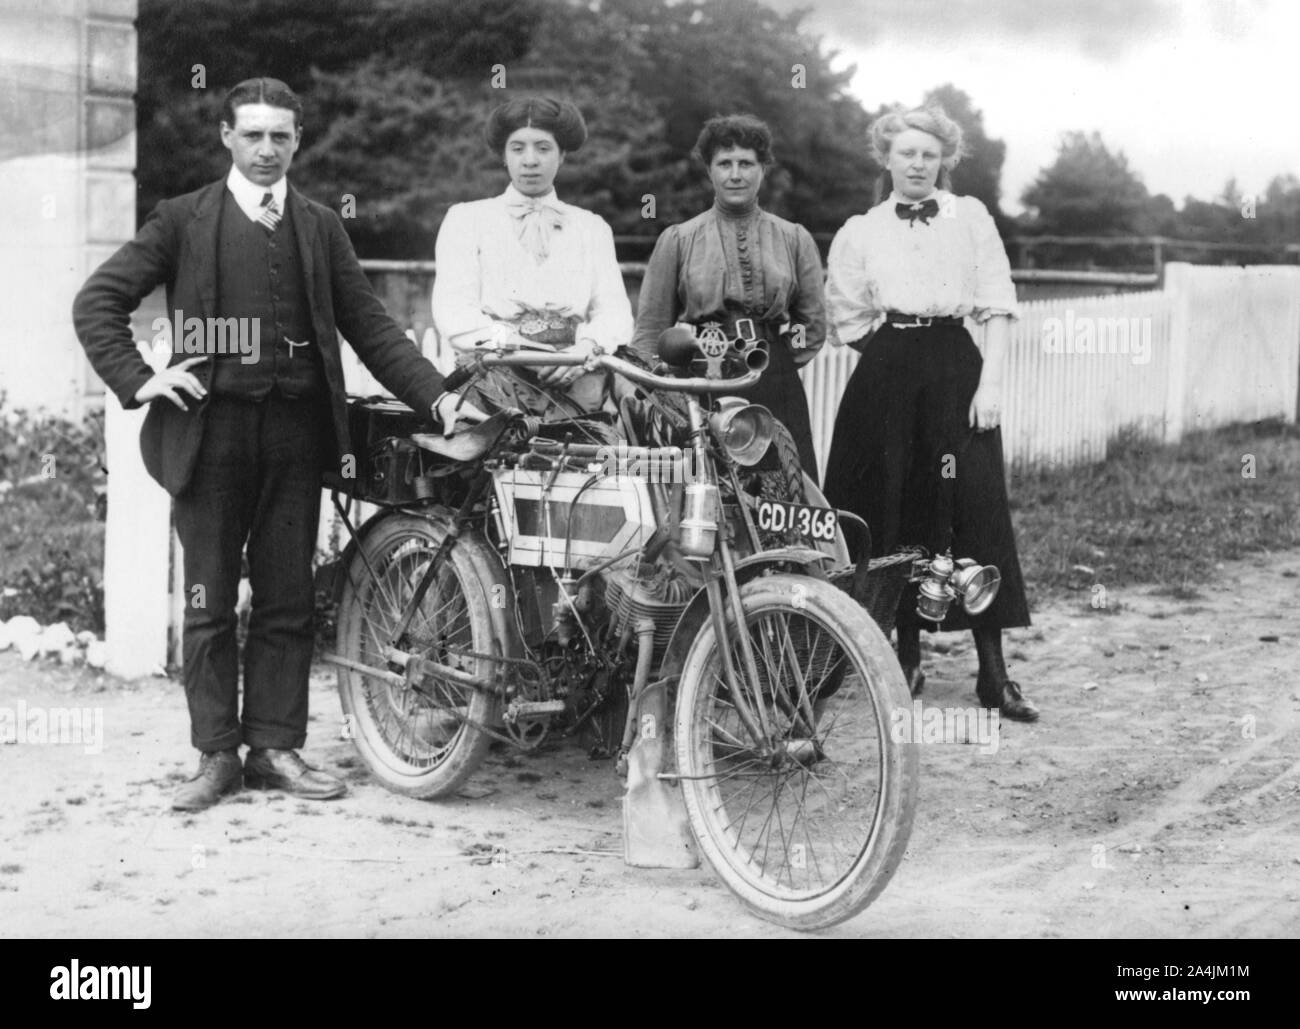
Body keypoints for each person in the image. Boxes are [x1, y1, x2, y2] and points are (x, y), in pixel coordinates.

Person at [73, 77, 483, 811]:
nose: (267, 149)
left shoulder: (320, 226)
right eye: (253, 134)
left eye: (280, 136)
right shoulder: (182, 220)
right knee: (208, 603)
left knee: (288, 599)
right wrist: (142, 380)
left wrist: (443, 396)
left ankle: (274, 748)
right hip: (211, 434)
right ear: (226, 137)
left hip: (296, 437)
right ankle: (214, 756)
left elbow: (374, 327)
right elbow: (96, 301)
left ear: (298, 140)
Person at [822, 104, 1038, 722]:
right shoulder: (861, 230)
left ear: (944, 160)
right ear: (886, 158)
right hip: (889, 368)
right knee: (895, 505)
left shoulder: (969, 218)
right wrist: (894, 368)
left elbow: (997, 305)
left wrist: (987, 386)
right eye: (906, 153)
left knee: (973, 506)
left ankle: (993, 674)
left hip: (955, 363)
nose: (917, 164)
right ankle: (906, 658)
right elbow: (850, 318)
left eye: (928, 154)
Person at [631, 114, 826, 480]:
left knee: (782, 491)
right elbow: (650, 331)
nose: (735, 174)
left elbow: (811, 326)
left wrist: (778, 363)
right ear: (709, 171)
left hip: (771, 376)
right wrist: (664, 389)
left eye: (746, 164)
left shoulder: (795, 238)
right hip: (700, 376)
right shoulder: (678, 239)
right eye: (724, 164)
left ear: (763, 169)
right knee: (705, 487)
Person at [431, 96, 633, 422]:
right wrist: (525, 352)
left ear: (562, 154)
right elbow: (455, 314)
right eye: (517, 148)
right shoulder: (466, 220)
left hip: (576, 383)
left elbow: (614, 312)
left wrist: (585, 350)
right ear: (503, 156)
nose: (530, 160)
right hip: (492, 382)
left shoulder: (592, 227)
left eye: (543, 148)